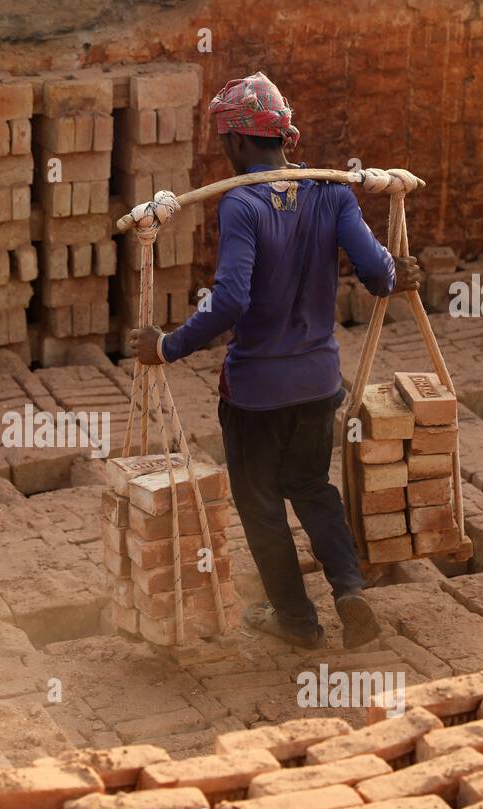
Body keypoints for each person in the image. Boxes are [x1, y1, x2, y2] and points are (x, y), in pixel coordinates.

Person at [129, 72, 422, 649]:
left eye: (222, 138)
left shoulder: (241, 204)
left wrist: (167, 346)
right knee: (312, 487)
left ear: (239, 142)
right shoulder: (330, 191)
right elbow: (377, 270)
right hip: (319, 383)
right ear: (281, 136)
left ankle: (297, 623)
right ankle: (348, 590)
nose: (221, 149)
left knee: (261, 505)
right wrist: (397, 273)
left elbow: (233, 298)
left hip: (257, 392)